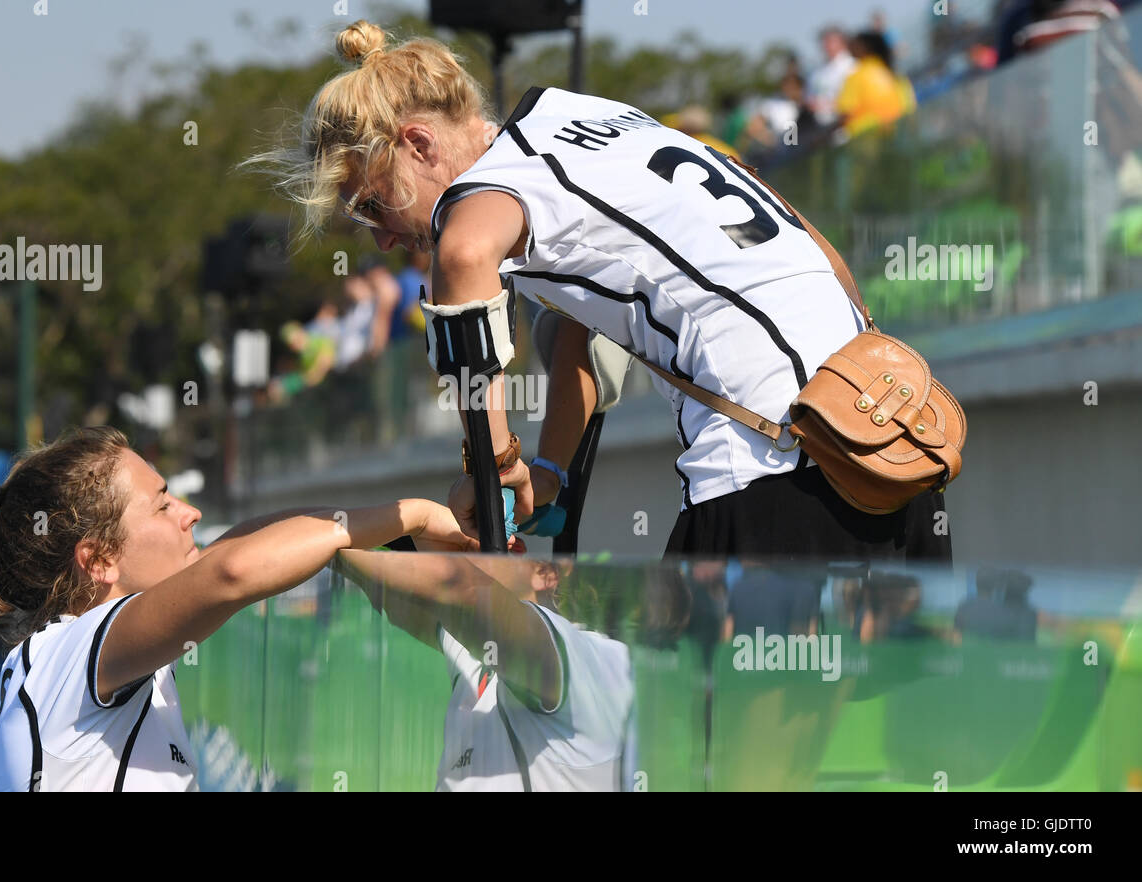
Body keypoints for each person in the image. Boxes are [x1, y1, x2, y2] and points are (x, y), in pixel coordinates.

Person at [258, 20, 950, 562]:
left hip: (771, 463)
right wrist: (547, 470)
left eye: (372, 206)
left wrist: (491, 467)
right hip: (885, 426)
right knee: (879, 733)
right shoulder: (581, 122)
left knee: (722, 739)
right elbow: (577, 331)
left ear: (417, 143)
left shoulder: (484, 196)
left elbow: (463, 253)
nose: (380, 238)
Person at [0, 426, 476, 791]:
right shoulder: (76, 649)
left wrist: (392, 529)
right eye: (163, 504)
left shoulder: (57, 654)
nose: (190, 512)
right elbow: (232, 572)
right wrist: (414, 517)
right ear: (97, 560)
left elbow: (239, 547)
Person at [335, 550, 637, 791]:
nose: (470, 554)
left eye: (512, 546)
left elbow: (454, 580)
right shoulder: (474, 651)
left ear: (544, 572)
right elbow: (402, 587)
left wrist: (415, 516)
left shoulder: (590, 655)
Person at [808, 26, 857, 127]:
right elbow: (809, 96)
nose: (826, 45)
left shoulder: (853, 67)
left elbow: (855, 101)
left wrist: (829, 105)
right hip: (819, 127)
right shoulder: (817, 71)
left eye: (830, 41)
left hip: (845, 126)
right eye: (824, 41)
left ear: (843, 43)